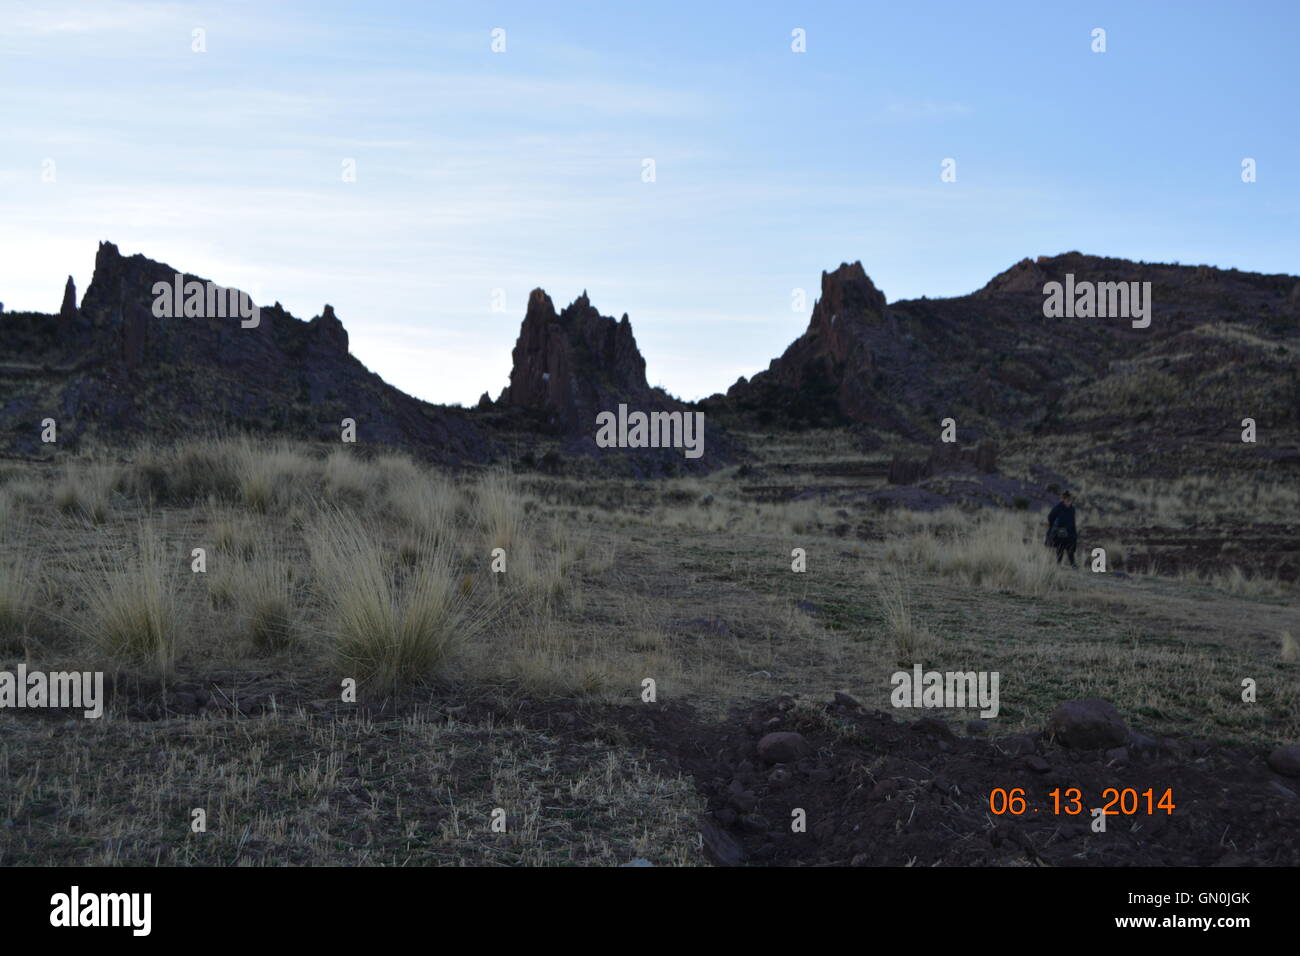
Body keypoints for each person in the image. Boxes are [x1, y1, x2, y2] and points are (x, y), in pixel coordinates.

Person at [1045, 491, 1078, 568]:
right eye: (1067, 500)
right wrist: (1054, 526)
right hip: (1060, 531)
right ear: (1063, 499)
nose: (1069, 502)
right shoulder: (1058, 507)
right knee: (1060, 548)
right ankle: (1058, 564)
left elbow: (1073, 520)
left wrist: (1074, 532)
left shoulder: (1072, 509)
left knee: (1071, 548)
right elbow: (1050, 517)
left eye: (1070, 500)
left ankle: (1073, 564)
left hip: (1070, 531)